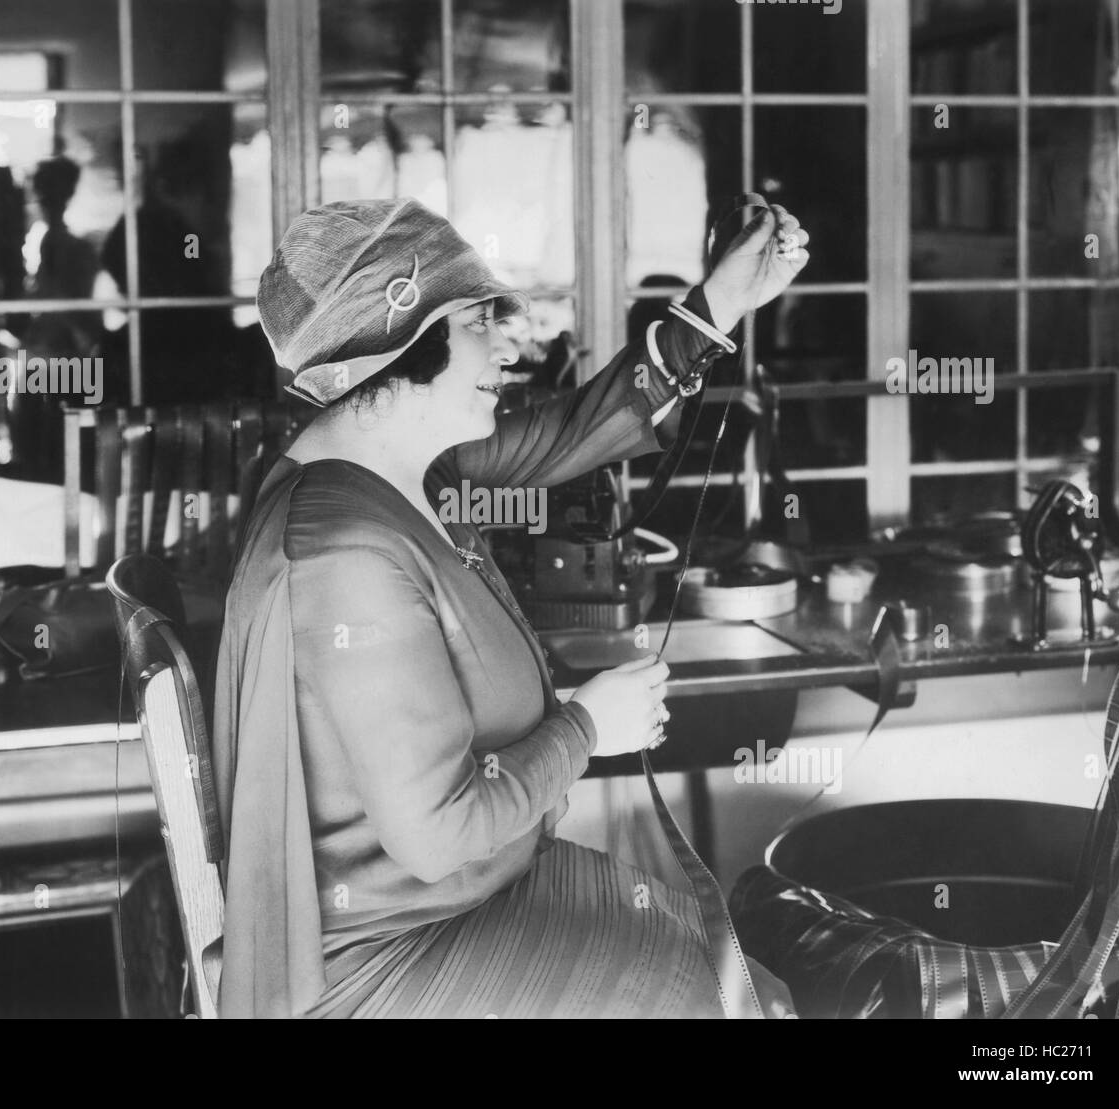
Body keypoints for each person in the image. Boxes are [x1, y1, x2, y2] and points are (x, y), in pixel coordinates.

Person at [212, 196, 810, 1018]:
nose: (512, 342)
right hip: (385, 962)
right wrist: (588, 727)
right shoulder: (344, 550)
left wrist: (723, 302)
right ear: (403, 341)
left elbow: (573, 430)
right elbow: (439, 831)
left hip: (452, 910)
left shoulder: (407, 471)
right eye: (478, 320)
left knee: (736, 976)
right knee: (704, 990)